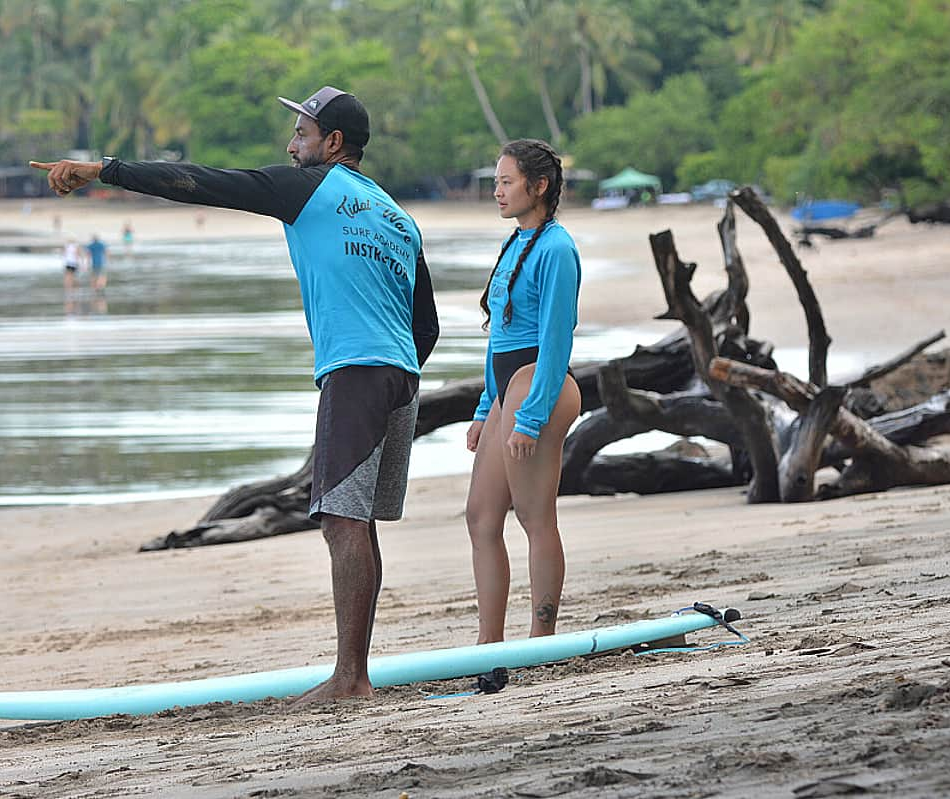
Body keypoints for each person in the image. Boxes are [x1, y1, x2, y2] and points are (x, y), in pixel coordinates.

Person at [29, 86, 439, 704]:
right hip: (400, 374)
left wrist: (103, 170)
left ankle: (351, 679)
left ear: (332, 143)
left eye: (301, 133)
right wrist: (395, 369)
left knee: (341, 522)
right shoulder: (393, 213)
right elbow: (426, 323)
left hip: (356, 371)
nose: (290, 144)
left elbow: (200, 182)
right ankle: (355, 670)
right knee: (357, 524)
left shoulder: (309, 188)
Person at [464, 138, 582, 645]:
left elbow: (555, 343)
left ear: (540, 186)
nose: (497, 191)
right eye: (495, 182)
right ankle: (488, 644)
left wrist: (529, 418)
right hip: (507, 392)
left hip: (540, 389)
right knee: (482, 517)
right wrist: (484, 407)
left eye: (506, 182)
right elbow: (500, 341)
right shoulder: (516, 242)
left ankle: (542, 637)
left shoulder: (557, 248)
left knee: (536, 517)